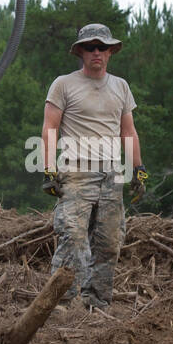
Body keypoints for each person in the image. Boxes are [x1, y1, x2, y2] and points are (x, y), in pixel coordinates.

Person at [41, 23, 149, 309]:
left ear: (111, 51)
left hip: (112, 174)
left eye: (102, 47)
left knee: (109, 243)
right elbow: (50, 127)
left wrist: (138, 168)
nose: (97, 52)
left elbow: (129, 131)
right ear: (81, 52)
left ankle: (96, 303)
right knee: (73, 238)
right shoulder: (64, 84)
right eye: (90, 47)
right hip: (76, 172)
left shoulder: (120, 86)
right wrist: (49, 168)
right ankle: (61, 304)